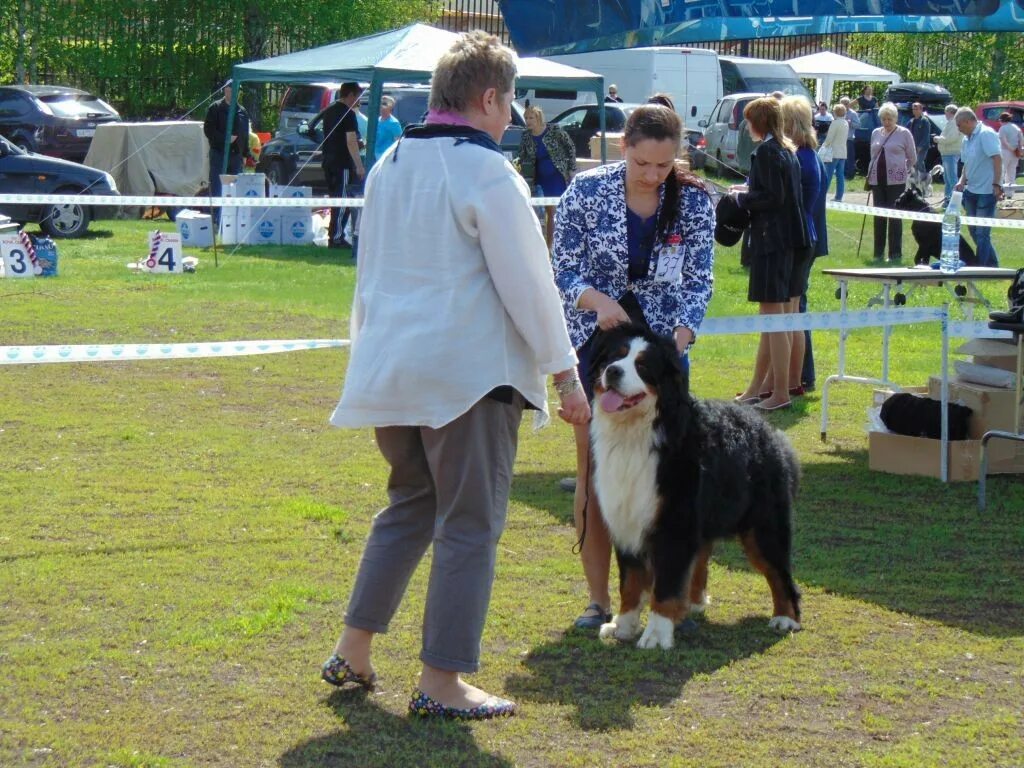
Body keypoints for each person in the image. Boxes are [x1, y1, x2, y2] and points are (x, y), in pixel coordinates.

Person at [322, 31, 590, 720]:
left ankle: (354, 650)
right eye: (510, 101)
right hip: (468, 377)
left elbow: (371, 275)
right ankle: (442, 682)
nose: (512, 115)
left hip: (393, 370)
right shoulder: (485, 172)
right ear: (490, 96)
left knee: (409, 507)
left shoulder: (388, 162)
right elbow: (531, 284)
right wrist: (565, 374)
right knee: (469, 525)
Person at [552, 104, 715, 630]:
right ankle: (601, 601)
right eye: (642, 163)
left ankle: (675, 595)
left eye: (663, 167)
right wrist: (594, 299)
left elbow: (699, 280)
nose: (652, 175)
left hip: (661, 361)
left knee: (670, 478)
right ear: (623, 147)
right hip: (598, 349)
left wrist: (684, 333)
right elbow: (563, 268)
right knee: (597, 474)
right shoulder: (585, 191)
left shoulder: (693, 201)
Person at [732, 97, 808, 412]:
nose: (746, 126)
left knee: (773, 319)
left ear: (757, 123)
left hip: (771, 241)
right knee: (775, 318)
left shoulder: (765, 151)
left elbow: (771, 197)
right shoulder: (787, 150)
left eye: (749, 121)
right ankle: (764, 388)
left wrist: (741, 200)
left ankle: (779, 392)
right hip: (790, 240)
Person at [778, 96, 826, 399]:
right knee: (797, 309)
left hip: (799, 240)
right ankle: (799, 375)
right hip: (807, 238)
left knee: (795, 310)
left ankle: (800, 375)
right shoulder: (810, 155)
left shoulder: (802, 158)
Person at [317, 82, 365, 250]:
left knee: (335, 198)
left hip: (328, 161)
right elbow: (351, 141)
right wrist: (359, 165)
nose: (358, 101)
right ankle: (336, 237)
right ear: (350, 95)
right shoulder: (348, 114)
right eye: (357, 96)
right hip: (342, 162)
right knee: (342, 200)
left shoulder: (329, 111)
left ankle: (336, 234)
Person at [867, 102, 916, 262]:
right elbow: (872, 154)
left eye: (889, 119)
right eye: (884, 119)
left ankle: (895, 254)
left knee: (894, 217)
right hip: (877, 180)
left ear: (896, 118)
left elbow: (912, 157)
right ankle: (878, 253)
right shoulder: (875, 133)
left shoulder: (904, 133)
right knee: (878, 216)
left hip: (896, 181)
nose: (886, 122)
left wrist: (903, 170)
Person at [954, 106, 1003, 267]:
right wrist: (962, 181)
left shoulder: (986, 134)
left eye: (959, 125)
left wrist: (996, 184)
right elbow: (967, 164)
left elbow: (997, 159)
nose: (958, 129)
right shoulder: (966, 140)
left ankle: (981, 266)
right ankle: (993, 264)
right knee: (974, 230)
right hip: (971, 191)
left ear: (968, 121)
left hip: (987, 191)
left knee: (982, 232)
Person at [203, 80, 250, 225]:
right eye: (230, 89)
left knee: (237, 188)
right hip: (219, 154)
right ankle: (217, 219)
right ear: (225, 90)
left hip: (236, 156)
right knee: (217, 187)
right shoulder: (215, 108)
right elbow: (208, 130)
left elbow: (245, 134)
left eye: (236, 90)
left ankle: (234, 220)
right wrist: (225, 139)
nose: (233, 93)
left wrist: (245, 154)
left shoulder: (242, 111)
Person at [517, 105, 576, 196]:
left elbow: (570, 147)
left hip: (557, 177)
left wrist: (572, 169)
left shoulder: (554, 130)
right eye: (526, 118)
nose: (527, 121)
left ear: (539, 118)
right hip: (538, 180)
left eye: (531, 118)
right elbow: (521, 156)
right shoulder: (526, 136)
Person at [820, 103, 849, 201]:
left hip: (833, 152)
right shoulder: (845, 123)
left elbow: (829, 138)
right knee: (840, 175)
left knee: (828, 174)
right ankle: (839, 196)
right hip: (843, 152)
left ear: (835, 112)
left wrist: (823, 146)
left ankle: (822, 195)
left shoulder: (835, 123)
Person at [934, 104, 962, 206]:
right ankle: (947, 200)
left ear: (950, 112)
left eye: (946, 112)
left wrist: (937, 139)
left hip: (951, 153)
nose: (945, 114)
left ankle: (954, 201)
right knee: (947, 179)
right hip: (947, 153)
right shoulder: (951, 123)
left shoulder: (954, 123)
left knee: (952, 179)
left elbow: (951, 138)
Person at [908, 102, 938, 179]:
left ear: (921, 110)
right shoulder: (911, 121)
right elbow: (906, 131)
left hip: (923, 147)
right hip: (913, 146)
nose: (914, 111)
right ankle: (915, 183)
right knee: (913, 164)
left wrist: (920, 146)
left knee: (918, 162)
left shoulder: (925, 121)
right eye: (913, 109)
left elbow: (926, 135)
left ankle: (924, 179)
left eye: (916, 109)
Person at [997, 112, 1022, 198]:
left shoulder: (1002, 128)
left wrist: (1010, 148)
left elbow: (1004, 141)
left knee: (1001, 171)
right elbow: (1021, 139)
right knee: (1012, 172)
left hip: (1005, 151)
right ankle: (1010, 193)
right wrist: (1019, 148)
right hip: (1015, 152)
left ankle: (999, 191)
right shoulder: (1016, 127)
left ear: (1002, 120)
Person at [374, 95, 404, 161]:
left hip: (386, 157)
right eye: (381, 104)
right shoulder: (377, 121)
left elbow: (398, 142)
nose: (382, 108)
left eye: (385, 105)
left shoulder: (394, 123)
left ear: (391, 108)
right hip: (374, 156)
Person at [840, 96, 860, 181]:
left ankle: (850, 175)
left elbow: (858, 125)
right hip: (840, 138)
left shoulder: (853, 114)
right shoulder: (838, 113)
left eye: (846, 103)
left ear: (849, 104)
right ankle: (842, 174)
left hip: (849, 138)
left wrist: (850, 123)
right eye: (843, 103)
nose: (844, 105)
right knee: (841, 157)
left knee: (849, 158)